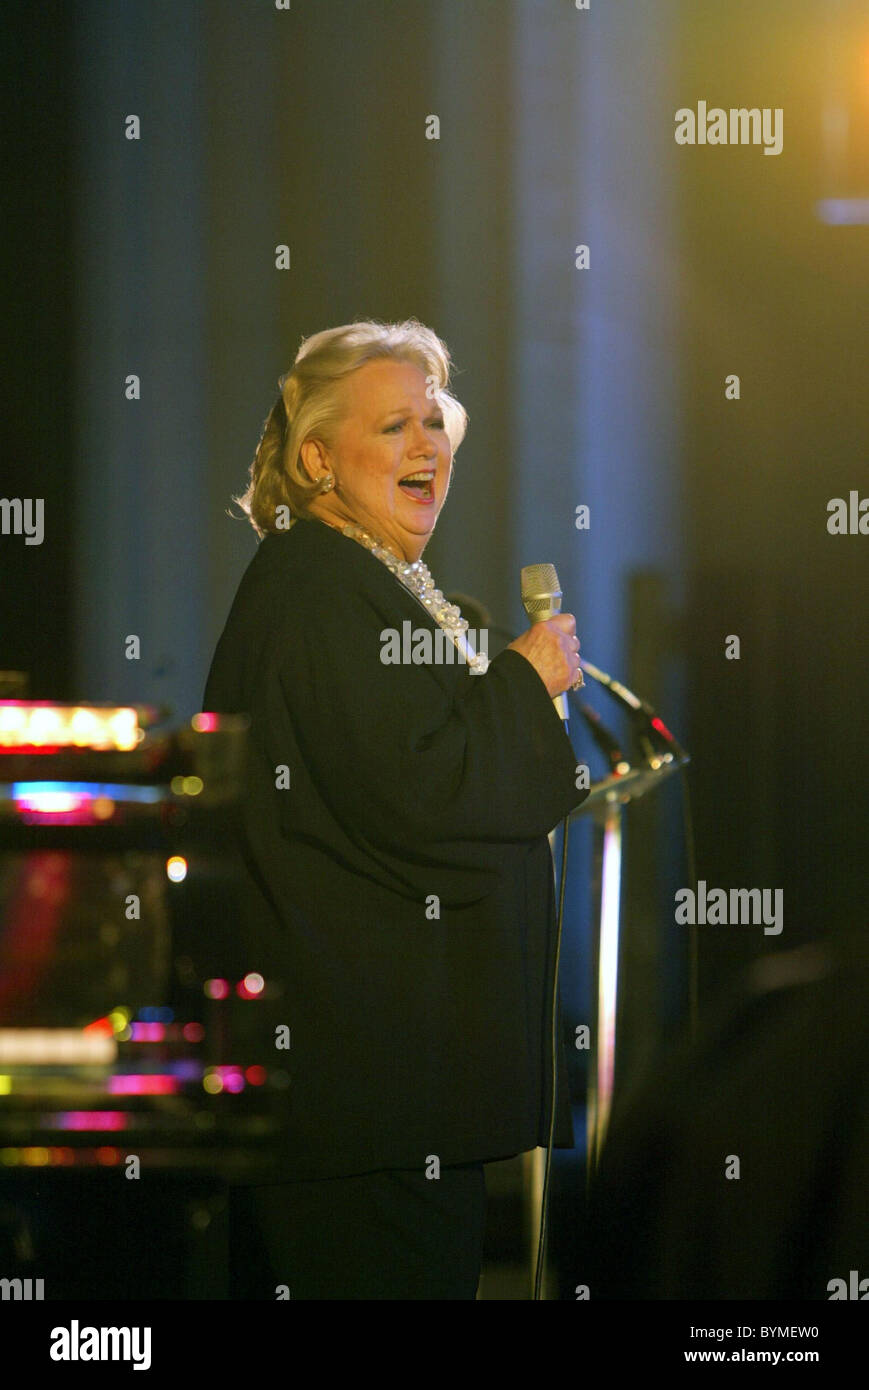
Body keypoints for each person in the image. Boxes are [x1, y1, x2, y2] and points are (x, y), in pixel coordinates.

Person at [202, 318, 587, 1299]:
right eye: (393, 426)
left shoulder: (351, 582)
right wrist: (522, 680)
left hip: (382, 1112)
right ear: (317, 456)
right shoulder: (322, 587)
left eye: (434, 420)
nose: (428, 445)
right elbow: (422, 803)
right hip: (362, 1118)